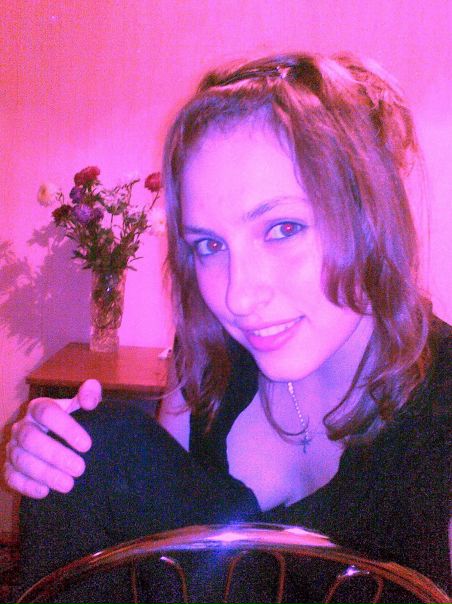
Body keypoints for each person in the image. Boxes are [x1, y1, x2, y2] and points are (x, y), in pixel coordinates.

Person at [4, 52, 451, 601]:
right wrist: (47, 449)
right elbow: (163, 566)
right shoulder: (209, 355)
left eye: (283, 228)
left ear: (371, 215)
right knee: (86, 445)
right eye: (210, 245)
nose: (238, 297)